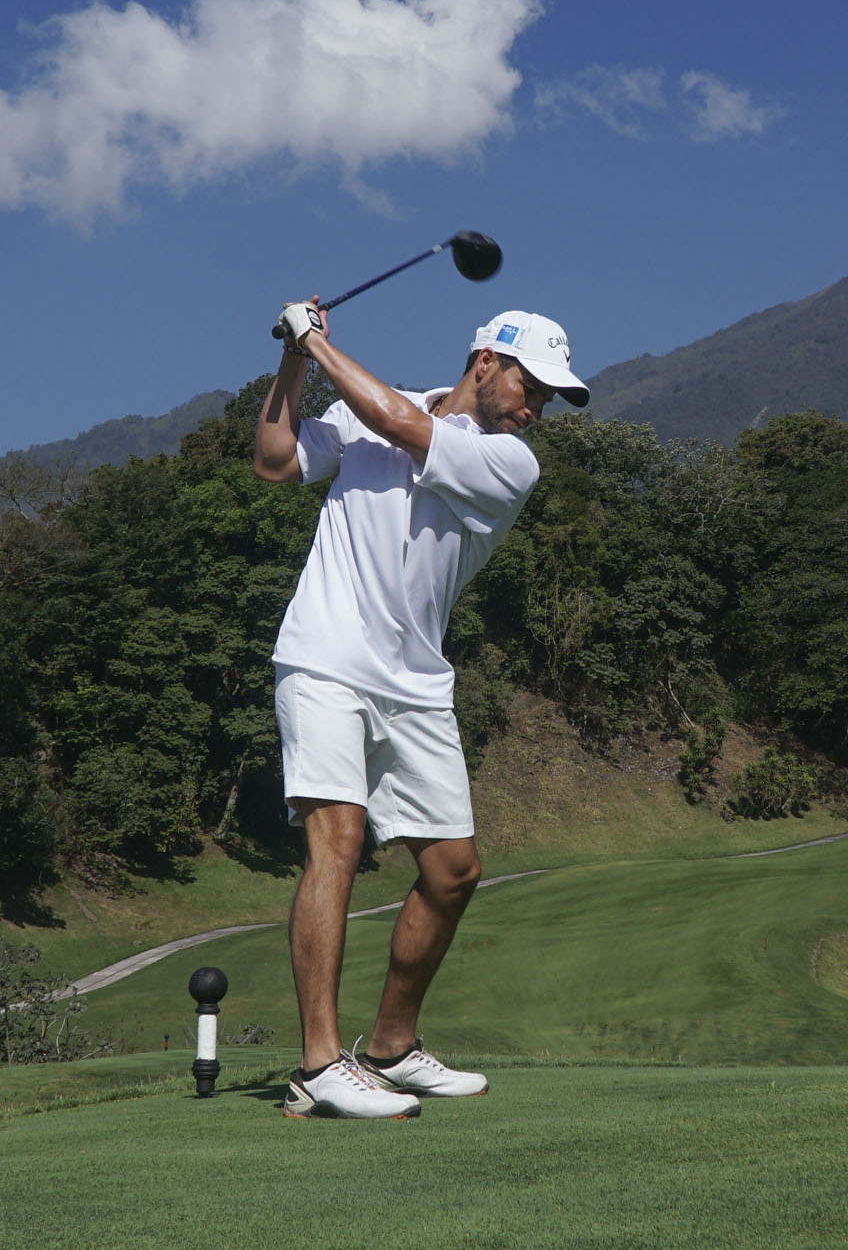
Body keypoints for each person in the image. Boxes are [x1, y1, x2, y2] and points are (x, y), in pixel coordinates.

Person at [254, 299, 587, 1119]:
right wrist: (295, 362)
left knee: (454, 871)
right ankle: (318, 1066)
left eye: (550, 394)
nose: (538, 406)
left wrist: (316, 342)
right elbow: (273, 460)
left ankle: (391, 1045)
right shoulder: (362, 409)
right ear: (486, 364)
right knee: (337, 838)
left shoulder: (511, 462)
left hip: (414, 682)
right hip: (325, 657)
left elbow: (398, 419)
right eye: (532, 385)